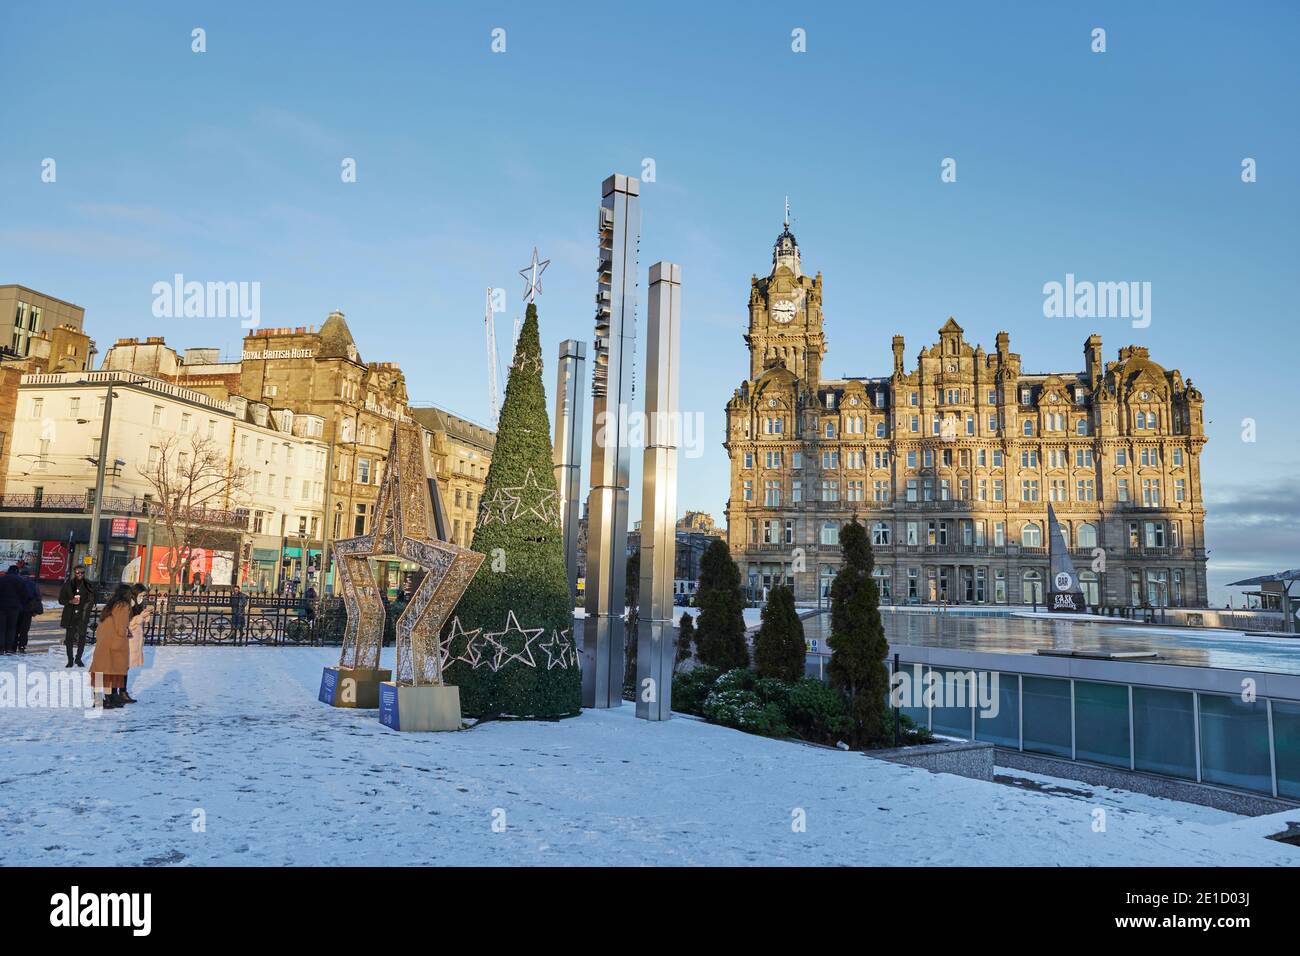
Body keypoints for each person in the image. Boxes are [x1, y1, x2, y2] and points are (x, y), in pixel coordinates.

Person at [88, 584, 133, 709]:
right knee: (110, 672)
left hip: (103, 641)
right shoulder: (123, 606)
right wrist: (125, 633)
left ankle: (98, 700)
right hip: (114, 642)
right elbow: (121, 626)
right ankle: (108, 699)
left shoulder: (110, 605)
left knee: (99, 671)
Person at [58, 566, 96, 667]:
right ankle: (70, 660)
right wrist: (70, 601)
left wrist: (85, 609)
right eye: (78, 573)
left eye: (82, 573)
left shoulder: (88, 585)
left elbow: (91, 600)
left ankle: (78, 659)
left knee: (82, 638)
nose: (80, 574)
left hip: (82, 615)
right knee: (69, 638)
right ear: (74, 573)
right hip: (70, 615)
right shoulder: (68, 584)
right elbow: (61, 600)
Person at [122, 584, 152, 703]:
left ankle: (119, 694)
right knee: (115, 671)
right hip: (126, 642)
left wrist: (144, 616)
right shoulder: (128, 605)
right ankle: (110, 697)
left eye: (144, 595)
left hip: (132, 640)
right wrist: (140, 617)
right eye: (141, 595)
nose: (143, 597)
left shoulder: (136, 604)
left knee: (124, 669)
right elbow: (127, 624)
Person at [0, 565, 32, 655]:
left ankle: (1, 649)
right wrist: (20, 604)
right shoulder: (20, 581)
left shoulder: (2, 579)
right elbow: (25, 595)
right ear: (17, 572)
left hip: (1, 608)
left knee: (1, 629)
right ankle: (9, 648)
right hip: (14, 609)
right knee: (11, 628)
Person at [13, 566, 41, 652]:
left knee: (15, 628)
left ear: (20, 575)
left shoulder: (16, 583)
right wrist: (35, 610)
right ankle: (22, 646)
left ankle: (13, 646)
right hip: (28, 610)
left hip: (17, 609)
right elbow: (38, 597)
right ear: (29, 576)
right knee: (24, 630)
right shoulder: (33, 584)